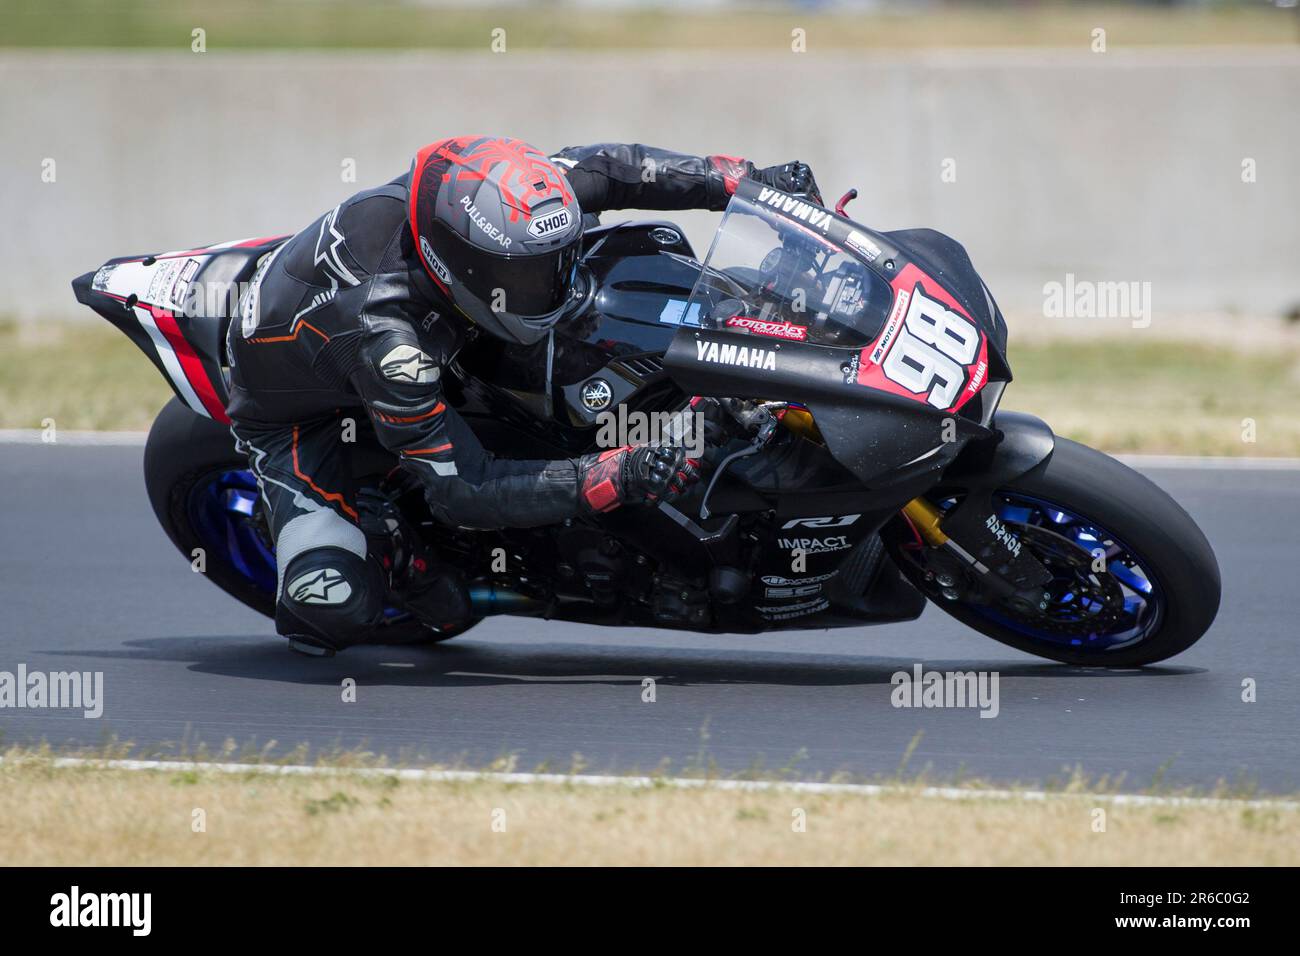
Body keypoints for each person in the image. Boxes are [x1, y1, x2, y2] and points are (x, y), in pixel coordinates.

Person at [225, 137, 820, 655]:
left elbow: (615, 169)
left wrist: (747, 183)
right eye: (527, 278)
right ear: (459, 264)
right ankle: (399, 555)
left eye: (555, 264)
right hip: (305, 418)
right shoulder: (390, 347)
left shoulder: (485, 188)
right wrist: (623, 472)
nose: (552, 285)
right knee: (347, 606)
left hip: (414, 325)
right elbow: (465, 490)